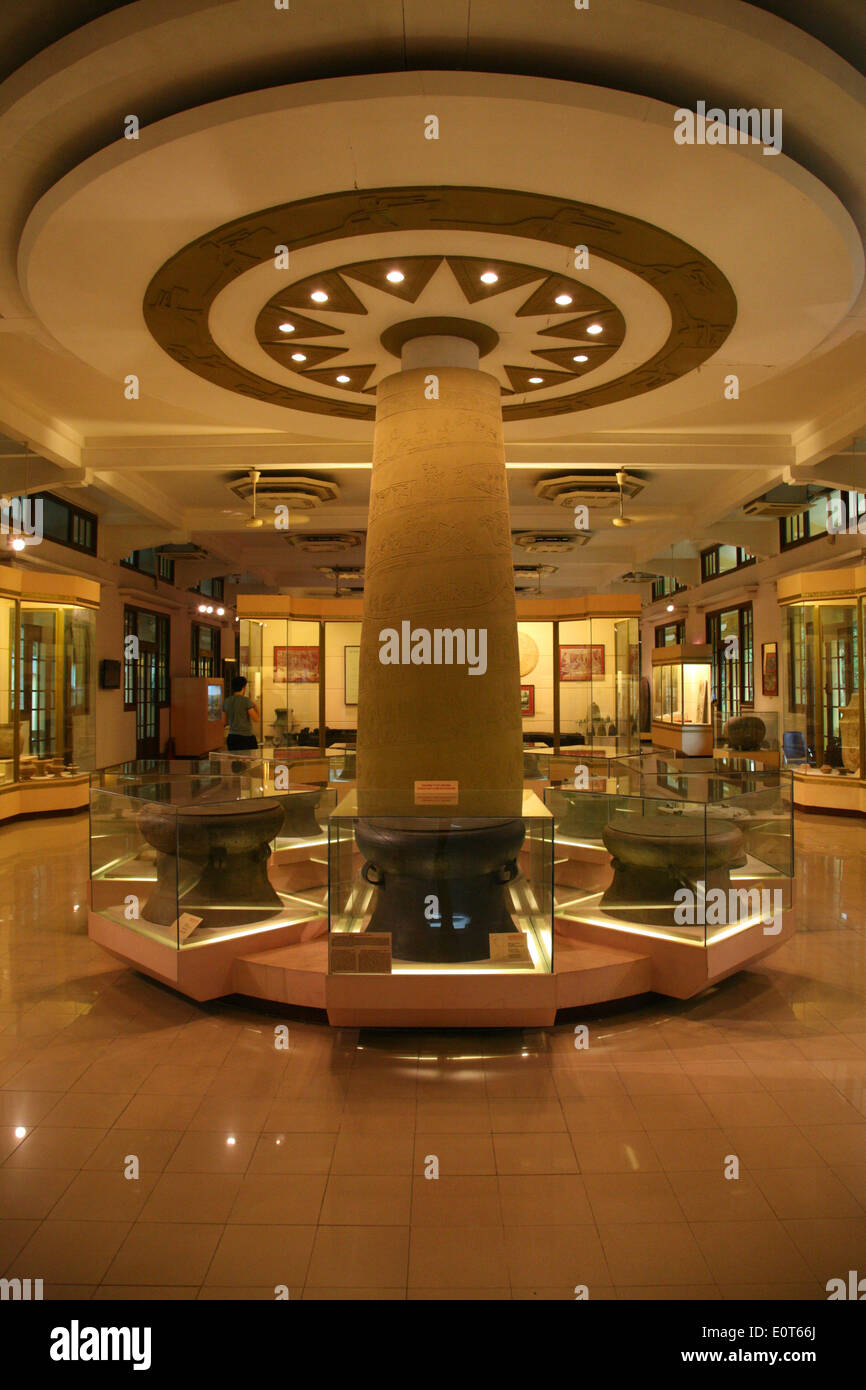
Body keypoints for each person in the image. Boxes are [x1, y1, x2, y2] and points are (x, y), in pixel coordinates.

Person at [223, 676, 259, 751]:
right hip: (246, 737)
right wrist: (256, 707)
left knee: (235, 761)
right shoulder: (246, 701)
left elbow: (224, 721)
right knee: (248, 761)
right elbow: (256, 719)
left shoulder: (227, 701)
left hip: (231, 737)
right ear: (244, 687)